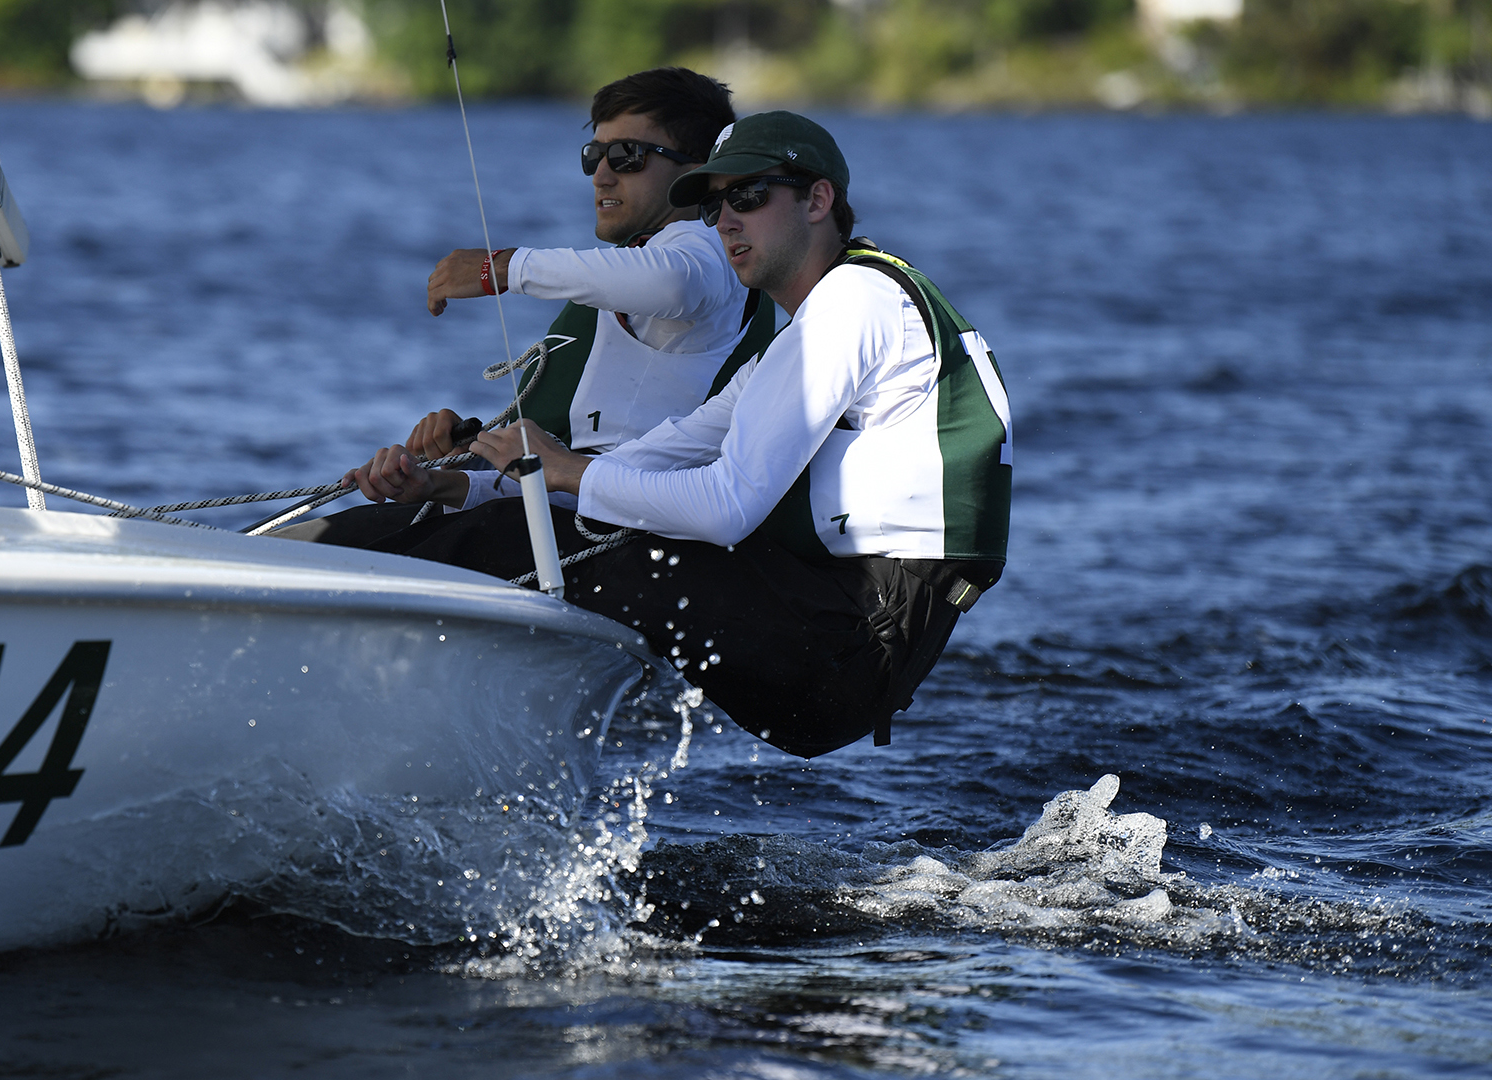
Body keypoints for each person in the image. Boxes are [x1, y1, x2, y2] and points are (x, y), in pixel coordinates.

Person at [335, 112, 1013, 759]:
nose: (727, 222)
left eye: (748, 196)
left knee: (558, 543)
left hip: (858, 639)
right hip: (840, 626)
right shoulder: (808, 334)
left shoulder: (851, 304)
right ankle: (348, 587)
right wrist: (459, 486)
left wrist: (565, 471)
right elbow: (662, 453)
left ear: (817, 201)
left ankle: (335, 616)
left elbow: (727, 508)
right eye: (714, 207)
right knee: (535, 525)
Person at [278, 68, 775, 543]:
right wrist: (442, 483)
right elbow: (571, 476)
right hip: (574, 517)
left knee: (325, 547)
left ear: (693, 172)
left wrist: (504, 267)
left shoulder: (707, 248)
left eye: (627, 156)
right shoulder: (642, 264)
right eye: (593, 155)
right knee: (328, 537)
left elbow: (675, 283)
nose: (600, 175)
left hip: (615, 541)